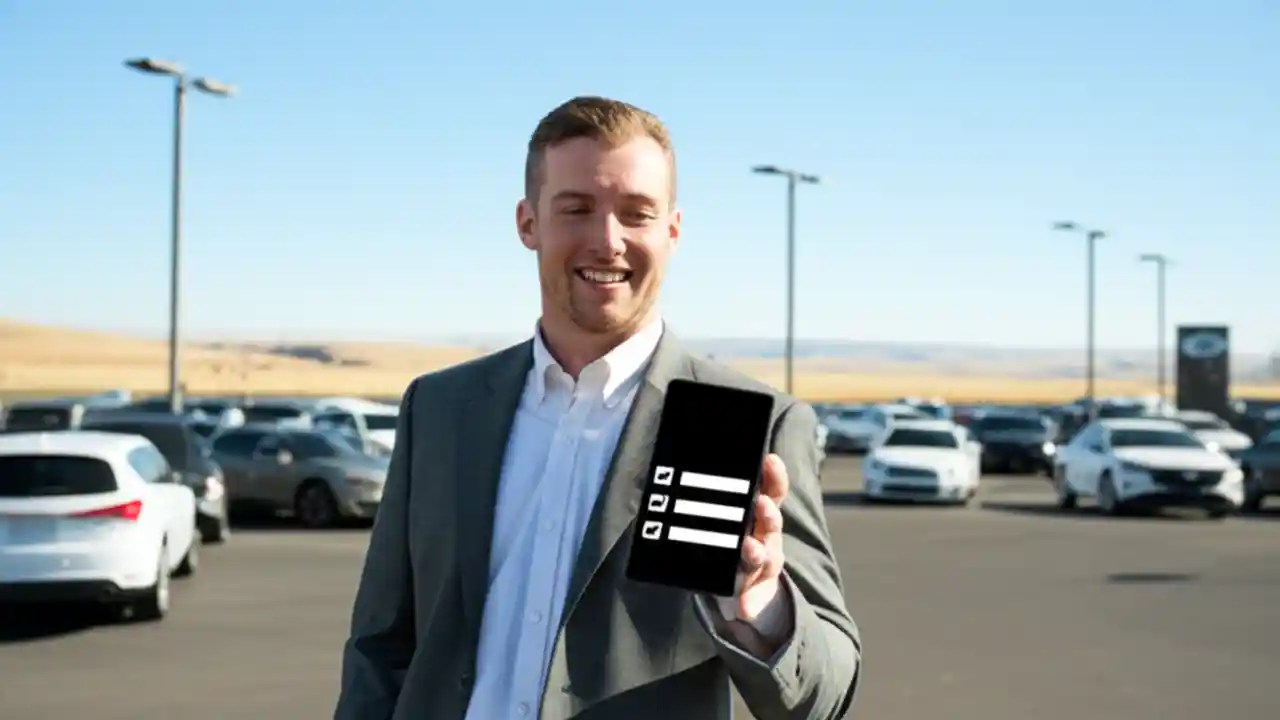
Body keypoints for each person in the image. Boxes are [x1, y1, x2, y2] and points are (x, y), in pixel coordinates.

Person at [333, 95, 861, 720]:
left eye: (637, 214)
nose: (608, 241)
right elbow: (380, 647)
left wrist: (765, 611)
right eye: (577, 209)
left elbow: (826, 695)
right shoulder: (442, 409)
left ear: (672, 231)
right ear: (528, 223)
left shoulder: (731, 423)